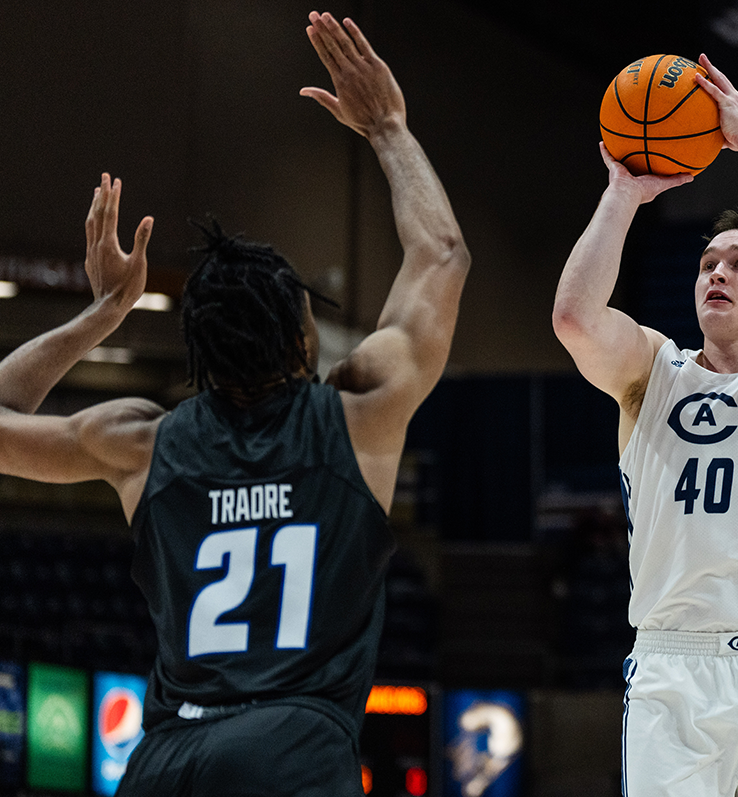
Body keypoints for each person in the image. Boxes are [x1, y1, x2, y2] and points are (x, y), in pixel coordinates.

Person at [0, 12, 469, 795]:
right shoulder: (358, 414)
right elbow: (442, 254)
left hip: (164, 760)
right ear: (301, 338)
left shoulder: (140, 442)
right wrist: (388, 129)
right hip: (292, 748)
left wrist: (100, 315)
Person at [553, 54, 738, 797]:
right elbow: (574, 318)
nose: (716, 271)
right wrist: (623, 194)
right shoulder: (652, 372)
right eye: (708, 261)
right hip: (671, 673)